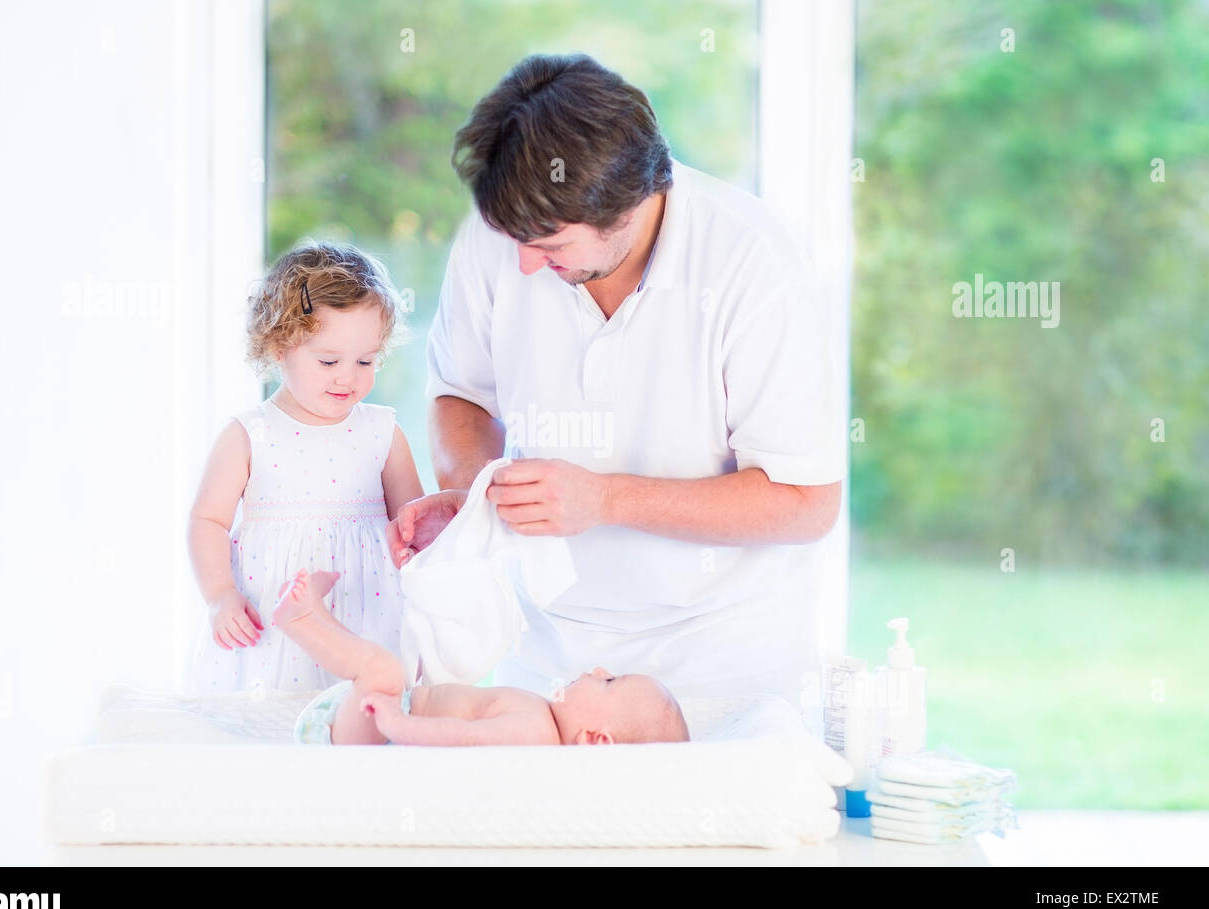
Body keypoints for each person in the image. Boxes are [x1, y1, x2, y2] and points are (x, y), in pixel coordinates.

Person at [389, 53, 846, 707]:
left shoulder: (753, 262)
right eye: (511, 236)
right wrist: (477, 502)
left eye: (549, 244)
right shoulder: (505, 233)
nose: (521, 262)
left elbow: (806, 502)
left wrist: (604, 501)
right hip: (544, 661)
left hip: (722, 668)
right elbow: (460, 393)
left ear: (628, 204)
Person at [186, 241, 424, 692]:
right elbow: (208, 521)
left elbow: (413, 518)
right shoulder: (250, 434)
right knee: (274, 733)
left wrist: (413, 546)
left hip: (367, 617)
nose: (348, 376)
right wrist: (220, 596)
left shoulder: (382, 432)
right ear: (279, 347)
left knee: (363, 723)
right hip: (270, 621)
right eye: (329, 360)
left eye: (366, 361)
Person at [275, 569, 690, 745]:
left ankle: (304, 619)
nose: (598, 670)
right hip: (380, 722)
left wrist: (401, 725)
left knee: (383, 672)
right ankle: (315, 615)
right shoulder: (540, 717)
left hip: (379, 736)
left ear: (597, 740)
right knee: (385, 671)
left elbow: (465, 738)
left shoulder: (533, 734)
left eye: (609, 682)